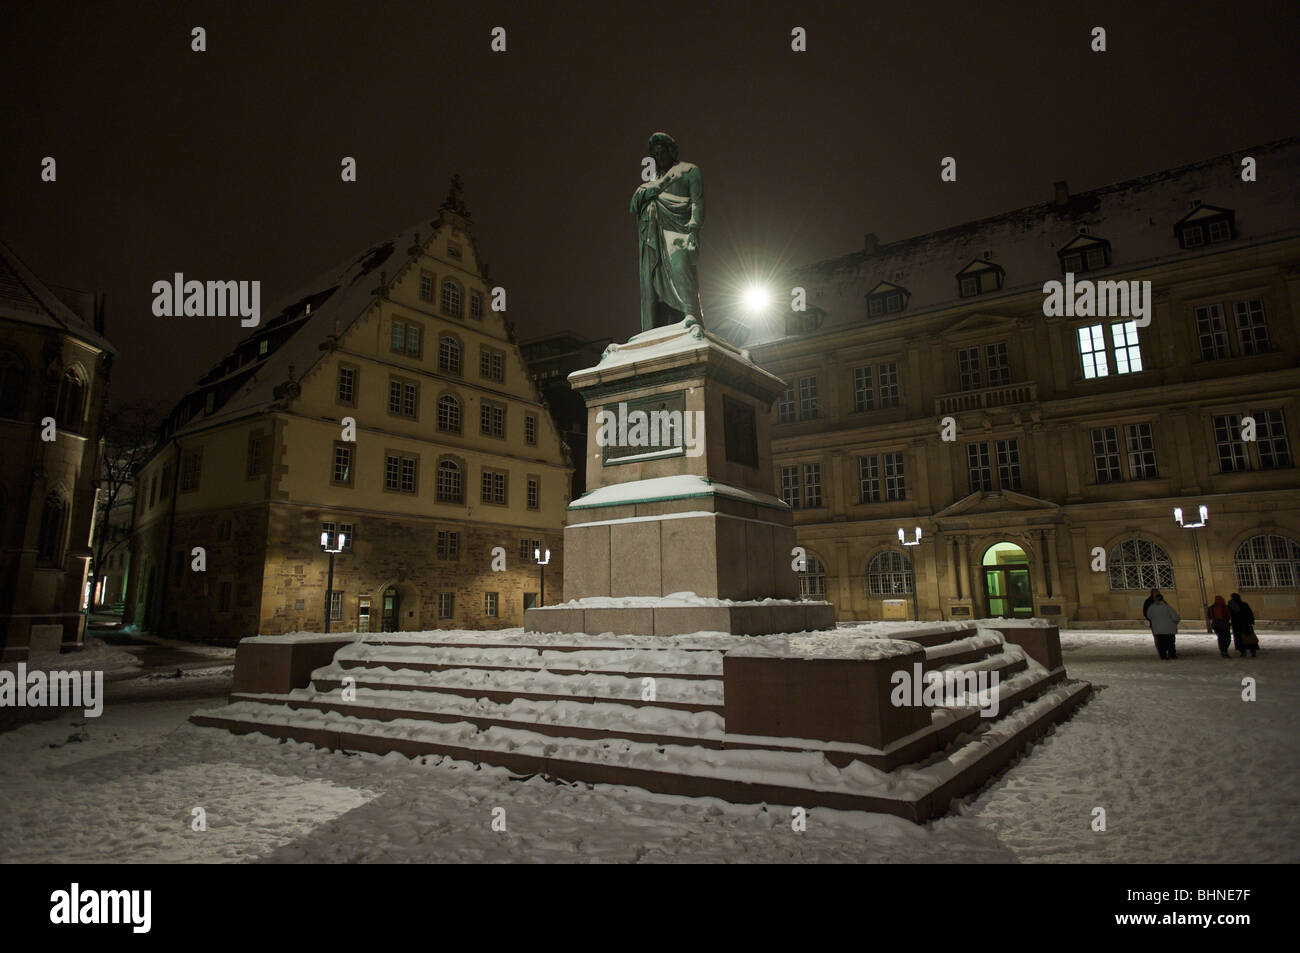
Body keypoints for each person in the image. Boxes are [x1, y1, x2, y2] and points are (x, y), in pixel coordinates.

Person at [631, 132, 705, 331]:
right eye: (656, 155)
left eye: (663, 152)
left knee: (681, 268)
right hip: (655, 236)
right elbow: (633, 204)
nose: (660, 157)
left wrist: (694, 229)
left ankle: (691, 314)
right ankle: (660, 323)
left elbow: (698, 203)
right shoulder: (652, 183)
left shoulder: (689, 171)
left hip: (680, 232)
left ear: (671, 151)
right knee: (654, 281)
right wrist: (658, 185)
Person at [1146, 592, 1180, 659]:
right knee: (1170, 644)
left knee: (1161, 644)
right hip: (1169, 629)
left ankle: (1163, 656)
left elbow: (1149, 616)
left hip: (1158, 630)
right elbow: (1175, 617)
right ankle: (1172, 655)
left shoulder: (1151, 608)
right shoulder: (1168, 607)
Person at [1228, 593, 1259, 658]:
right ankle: (1252, 651)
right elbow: (1249, 613)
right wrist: (1251, 621)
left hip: (1237, 624)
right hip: (1246, 623)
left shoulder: (1232, 605)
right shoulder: (1244, 604)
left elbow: (1230, 613)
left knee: (1240, 638)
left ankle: (1243, 652)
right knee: (1249, 637)